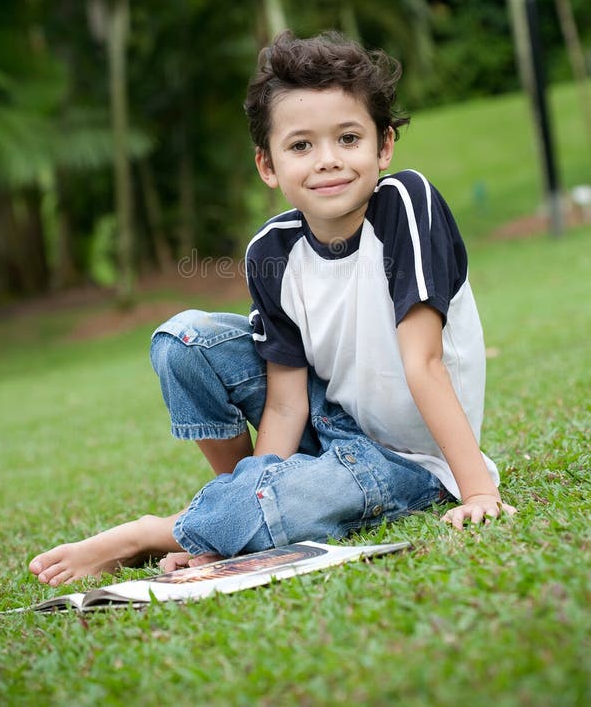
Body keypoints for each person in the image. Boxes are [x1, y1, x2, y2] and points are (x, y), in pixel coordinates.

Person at [29, 31, 515, 587]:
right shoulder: (271, 249)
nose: (327, 161)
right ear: (268, 164)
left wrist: (477, 490)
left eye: (349, 138)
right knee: (181, 340)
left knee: (284, 502)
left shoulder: (405, 204)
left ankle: (149, 532)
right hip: (323, 417)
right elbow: (285, 406)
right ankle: (237, 513)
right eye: (301, 146)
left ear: (383, 147)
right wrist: (257, 479)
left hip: (408, 461)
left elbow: (422, 363)